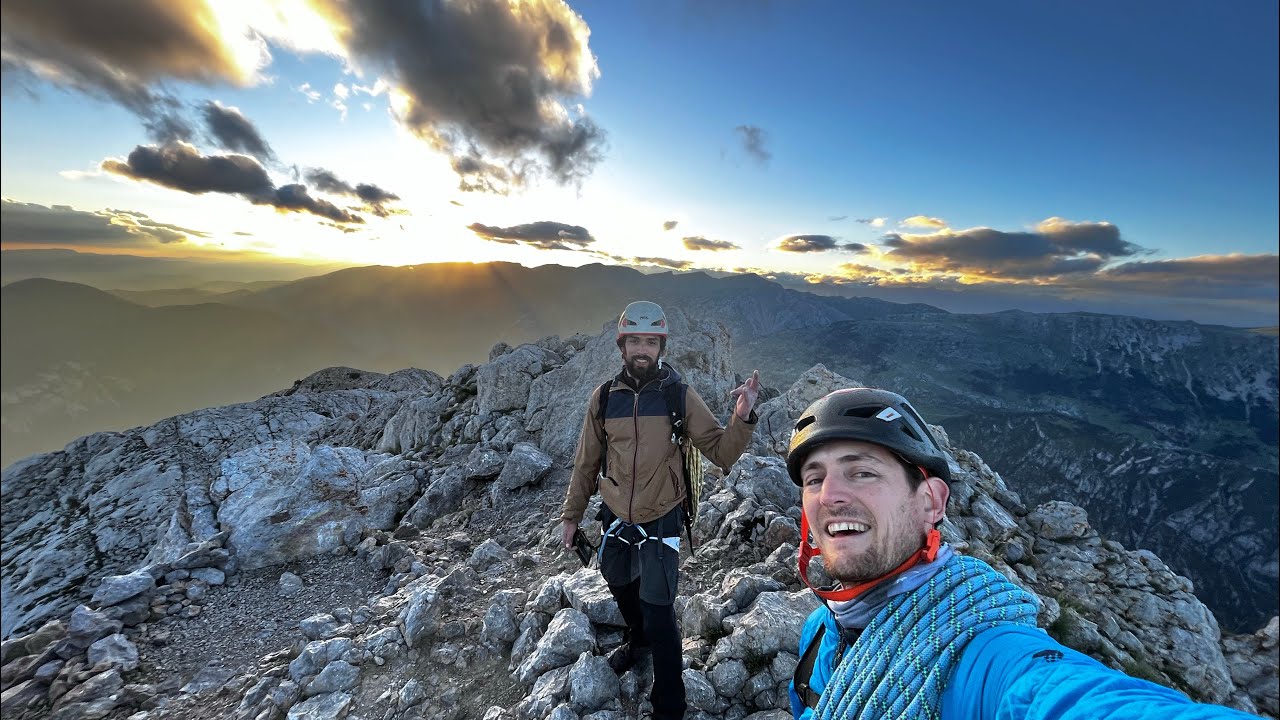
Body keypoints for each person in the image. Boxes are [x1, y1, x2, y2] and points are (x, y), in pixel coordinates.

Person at [786, 387, 1258, 720]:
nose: (829, 495)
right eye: (814, 478)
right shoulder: (821, 628)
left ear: (931, 502)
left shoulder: (986, 652)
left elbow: (1062, 697)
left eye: (862, 472)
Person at [561, 300, 760, 720]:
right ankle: (638, 640)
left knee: (658, 604)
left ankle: (669, 706)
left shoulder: (679, 396)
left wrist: (741, 417)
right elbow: (586, 462)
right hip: (616, 510)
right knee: (615, 575)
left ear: (660, 347)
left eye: (650, 342)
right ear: (622, 345)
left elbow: (720, 451)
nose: (642, 349)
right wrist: (571, 516)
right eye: (635, 340)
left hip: (662, 513)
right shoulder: (603, 400)